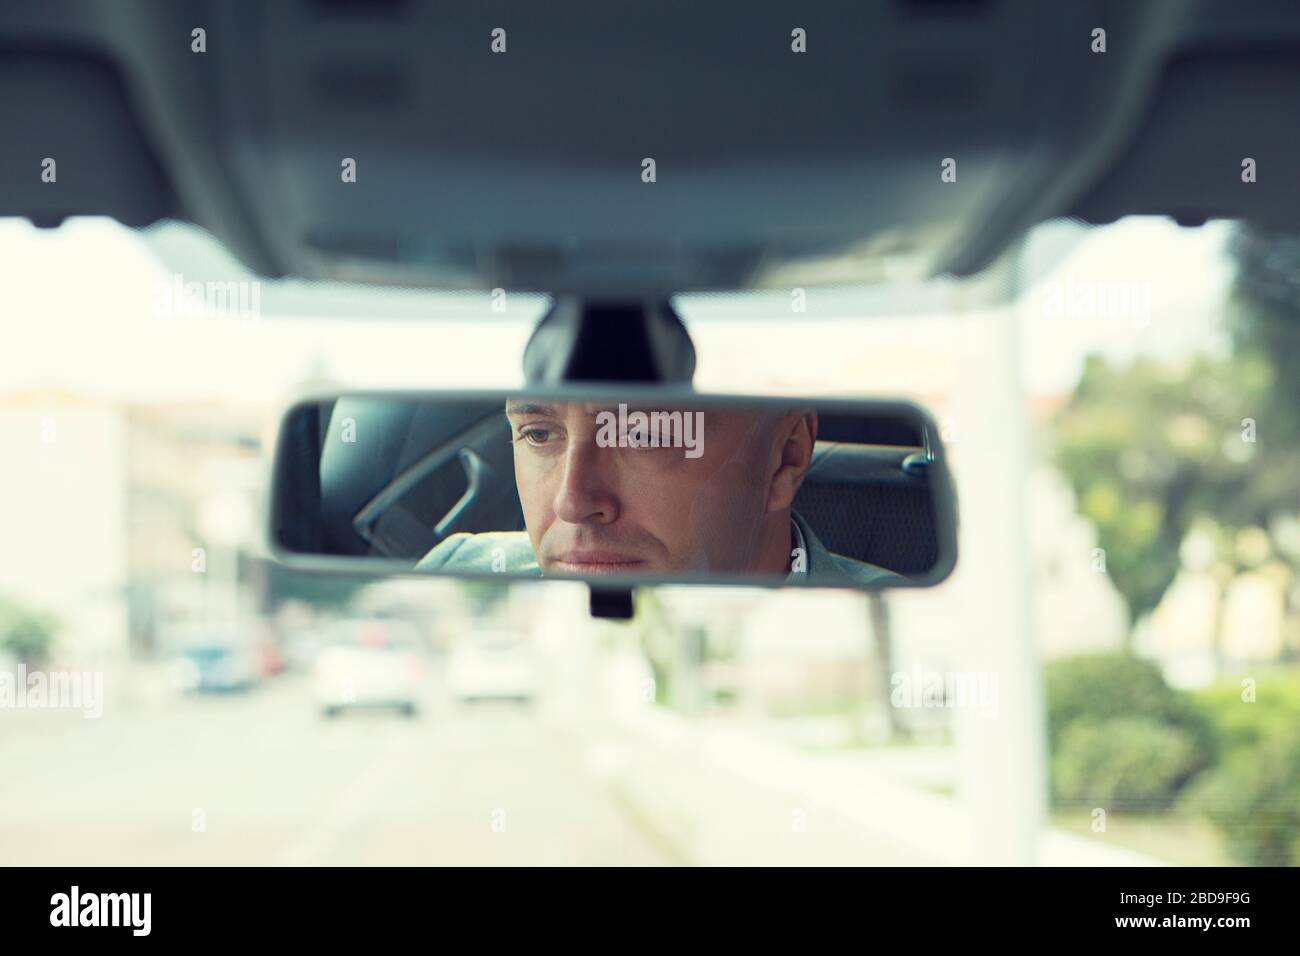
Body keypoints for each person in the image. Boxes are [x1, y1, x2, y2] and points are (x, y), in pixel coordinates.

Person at [416, 400, 902, 586]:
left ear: (785, 457)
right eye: (539, 434)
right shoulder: (457, 575)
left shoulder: (921, 630)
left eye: (644, 435)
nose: (572, 501)